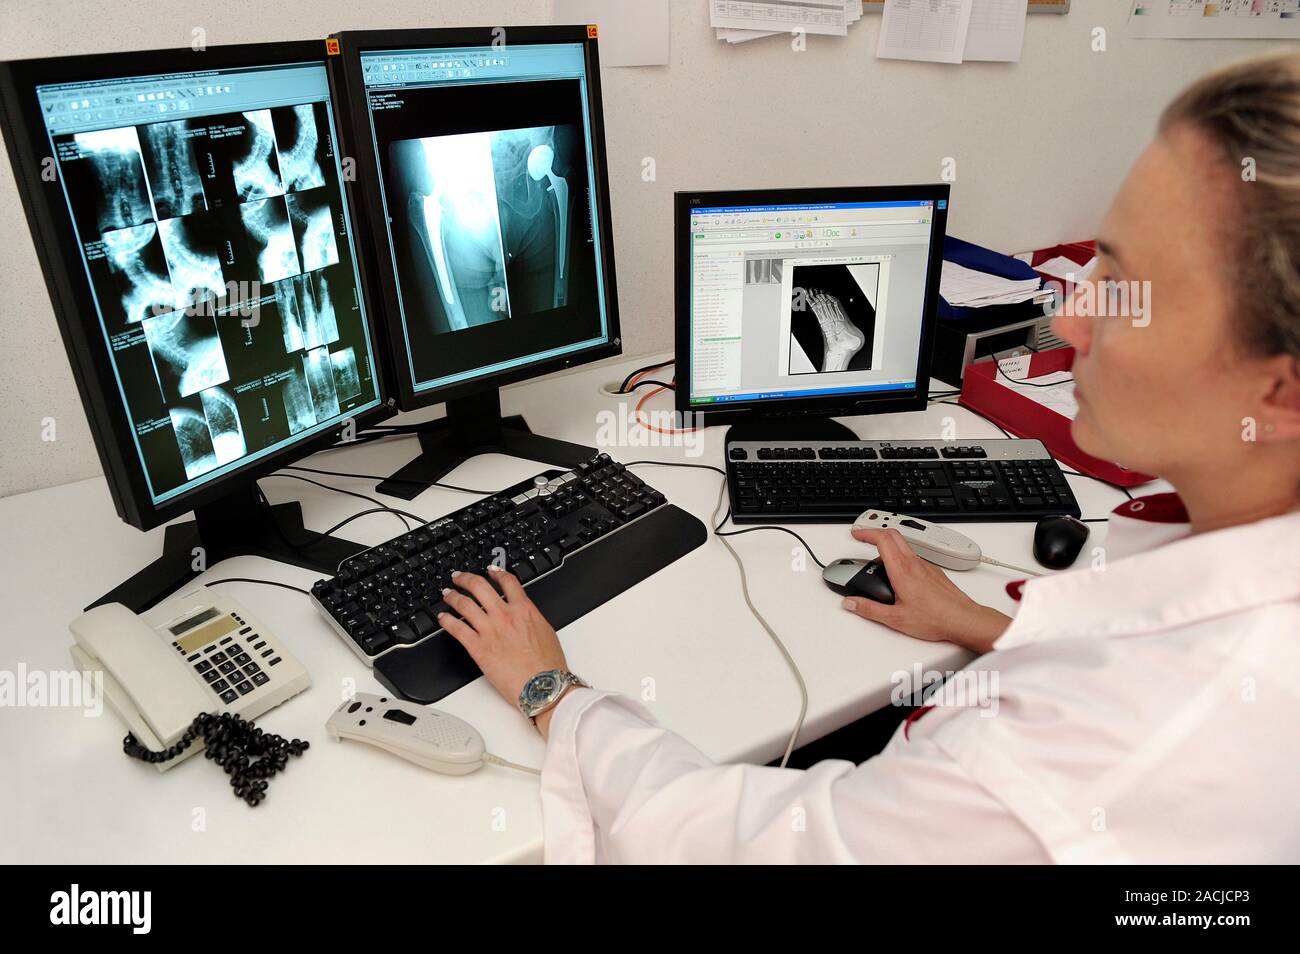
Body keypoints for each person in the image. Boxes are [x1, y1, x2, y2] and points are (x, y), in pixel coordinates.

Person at [435, 52, 1300, 864]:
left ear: (1282, 392)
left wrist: (554, 692)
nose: (1068, 325)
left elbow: (755, 846)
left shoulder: (1099, 738)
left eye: (1126, 291)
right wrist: (981, 625)